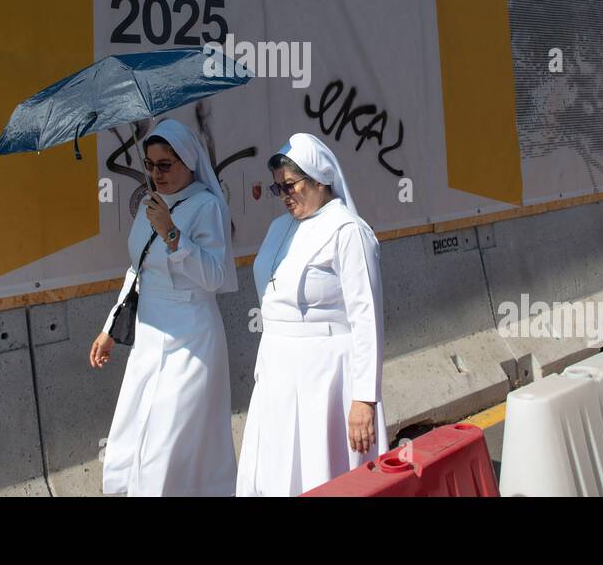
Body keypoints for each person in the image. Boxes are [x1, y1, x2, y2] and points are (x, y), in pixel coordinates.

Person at [89, 118, 238, 496]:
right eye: (150, 165)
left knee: (171, 441)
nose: (157, 174)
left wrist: (173, 236)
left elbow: (216, 276)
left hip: (191, 337)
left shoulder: (207, 207)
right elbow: (137, 269)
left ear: (187, 160)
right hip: (150, 333)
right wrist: (110, 327)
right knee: (136, 429)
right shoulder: (149, 204)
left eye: (165, 165)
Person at [236, 133, 385, 496]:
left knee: (322, 471)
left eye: (290, 186)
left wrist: (364, 399)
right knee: (276, 470)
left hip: (327, 377)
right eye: (278, 189)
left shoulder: (348, 231)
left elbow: (367, 317)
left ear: (320, 179)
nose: (285, 196)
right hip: (278, 374)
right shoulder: (279, 228)